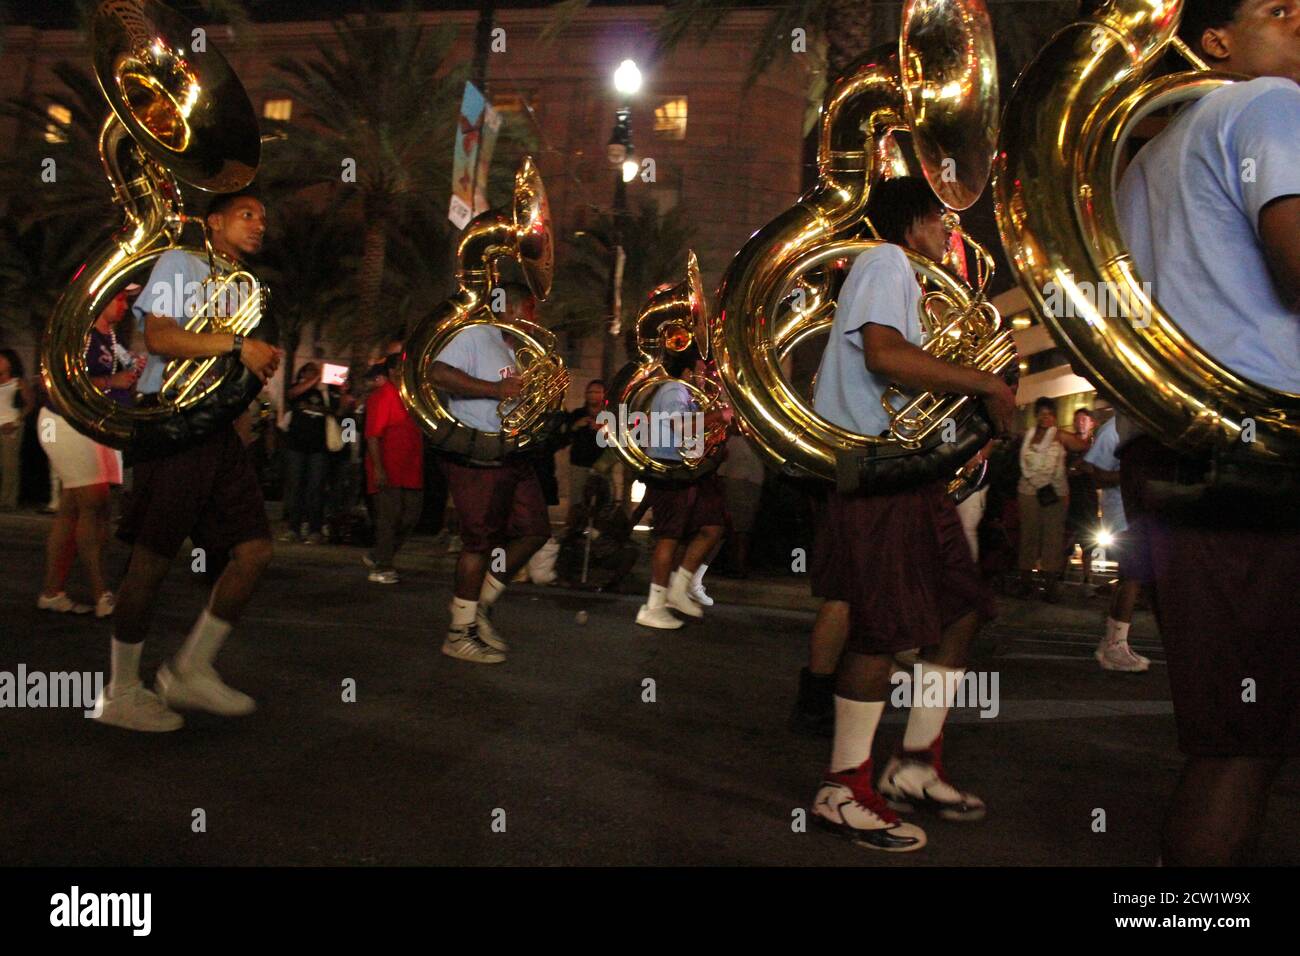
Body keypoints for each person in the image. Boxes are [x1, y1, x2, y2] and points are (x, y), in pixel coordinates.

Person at [1113, 0, 1300, 865]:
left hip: (1181, 447)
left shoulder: (1144, 160)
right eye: (1278, 7)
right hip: (1266, 447)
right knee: (1243, 746)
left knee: (1233, 733)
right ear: (1215, 41)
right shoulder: (1267, 102)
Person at [803, 176, 1017, 851]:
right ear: (916, 222)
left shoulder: (897, 272)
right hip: (878, 478)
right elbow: (886, 355)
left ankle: (914, 765)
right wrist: (983, 380)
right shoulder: (884, 261)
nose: (949, 237)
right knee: (877, 629)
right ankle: (843, 787)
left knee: (961, 608)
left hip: (911, 477)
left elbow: (901, 359)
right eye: (944, 224)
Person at [96, 188, 282, 732]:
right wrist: (236, 346)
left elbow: (228, 364)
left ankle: (191, 669)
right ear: (214, 221)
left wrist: (246, 392)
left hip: (216, 430)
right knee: (153, 559)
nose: (258, 225)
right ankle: (121, 690)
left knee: (254, 552)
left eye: (262, 217)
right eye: (247, 214)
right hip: (174, 423)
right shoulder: (182, 261)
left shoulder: (243, 285)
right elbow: (158, 336)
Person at [430, 282, 551, 663]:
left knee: (535, 531)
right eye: (531, 309)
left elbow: (510, 393)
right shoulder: (474, 334)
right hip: (477, 454)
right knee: (478, 544)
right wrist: (494, 389)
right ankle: (458, 632)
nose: (535, 318)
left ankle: (477, 607)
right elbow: (438, 373)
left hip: (511, 452)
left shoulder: (510, 346)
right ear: (511, 307)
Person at [36, 290, 138, 617]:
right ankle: (102, 595)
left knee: (73, 509)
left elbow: (124, 365)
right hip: (65, 422)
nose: (124, 306)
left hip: (83, 425)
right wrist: (113, 381)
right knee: (94, 504)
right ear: (102, 298)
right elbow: (62, 378)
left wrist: (133, 367)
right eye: (119, 298)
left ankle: (52, 592)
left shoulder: (107, 335)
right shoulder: (81, 333)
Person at [635, 343, 727, 630]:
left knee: (713, 526)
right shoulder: (674, 390)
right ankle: (653, 606)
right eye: (699, 369)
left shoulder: (682, 391)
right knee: (669, 538)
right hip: (669, 471)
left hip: (684, 471)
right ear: (688, 370)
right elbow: (682, 427)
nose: (703, 375)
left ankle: (678, 589)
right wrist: (718, 417)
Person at [1080, 415, 1149, 672]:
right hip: (1122, 513)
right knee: (1132, 576)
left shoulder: (1140, 425)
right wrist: (1130, 476)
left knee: (1129, 577)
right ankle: (1114, 646)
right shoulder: (1113, 429)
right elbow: (1093, 472)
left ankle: (1113, 642)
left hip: (1137, 511)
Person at [1015, 397, 1087, 601]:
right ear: (1036, 415)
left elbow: (1087, 448)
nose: (1046, 417)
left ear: (1054, 416)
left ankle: (1050, 586)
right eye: (1042, 413)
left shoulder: (1061, 436)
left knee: (1052, 538)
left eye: (1049, 414)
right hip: (1028, 492)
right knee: (1028, 536)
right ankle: (1025, 582)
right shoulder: (1027, 435)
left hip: (1055, 493)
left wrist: (1075, 467)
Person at [363, 353, 424, 583]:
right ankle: (382, 566)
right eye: (398, 368)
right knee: (390, 518)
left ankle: (379, 554)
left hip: (411, 469)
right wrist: (378, 468)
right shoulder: (383, 396)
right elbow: (372, 436)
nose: (402, 372)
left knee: (410, 517)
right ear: (390, 371)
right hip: (389, 468)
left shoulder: (413, 397)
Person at [279, 361, 332, 544]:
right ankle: (294, 528)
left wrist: (340, 394)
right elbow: (292, 394)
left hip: (319, 448)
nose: (313, 374)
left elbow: (339, 413)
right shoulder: (298, 388)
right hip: (296, 446)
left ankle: (314, 529)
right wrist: (316, 378)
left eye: (316, 372)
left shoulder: (325, 392)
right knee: (295, 487)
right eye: (309, 371)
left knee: (315, 488)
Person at [716, 423, 764, 578]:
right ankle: (738, 564)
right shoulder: (752, 441)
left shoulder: (737, 441)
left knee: (738, 528)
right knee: (741, 529)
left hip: (740, 482)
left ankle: (736, 564)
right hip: (746, 482)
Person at [564, 379, 608, 529]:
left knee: (602, 502)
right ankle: (573, 532)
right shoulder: (578, 414)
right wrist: (576, 426)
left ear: (603, 395)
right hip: (579, 464)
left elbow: (618, 439)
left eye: (597, 392)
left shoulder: (609, 416)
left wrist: (602, 429)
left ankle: (598, 534)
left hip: (602, 466)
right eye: (590, 392)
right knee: (577, 501)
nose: (593, 395)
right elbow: (565, 436)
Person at [1063, 407, 1099, 583]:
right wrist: (1077, 467)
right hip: (1070, 497)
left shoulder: (1097, 444)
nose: (1079, 423)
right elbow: (1065, 471)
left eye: (1083, 419)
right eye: (1077, 419)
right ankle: (1060, 576)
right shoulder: (1068, 446)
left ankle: (1087, 579)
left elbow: (1098, 470)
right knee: (1066, 538)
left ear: (1092, 423)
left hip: (1089, 499)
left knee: (1089, 542)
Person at [0, 348, 35, 511]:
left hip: (10, 425)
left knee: (9, 464)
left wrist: (16, 422)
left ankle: (8, 500)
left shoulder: (18, 382)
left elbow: (29, 404)